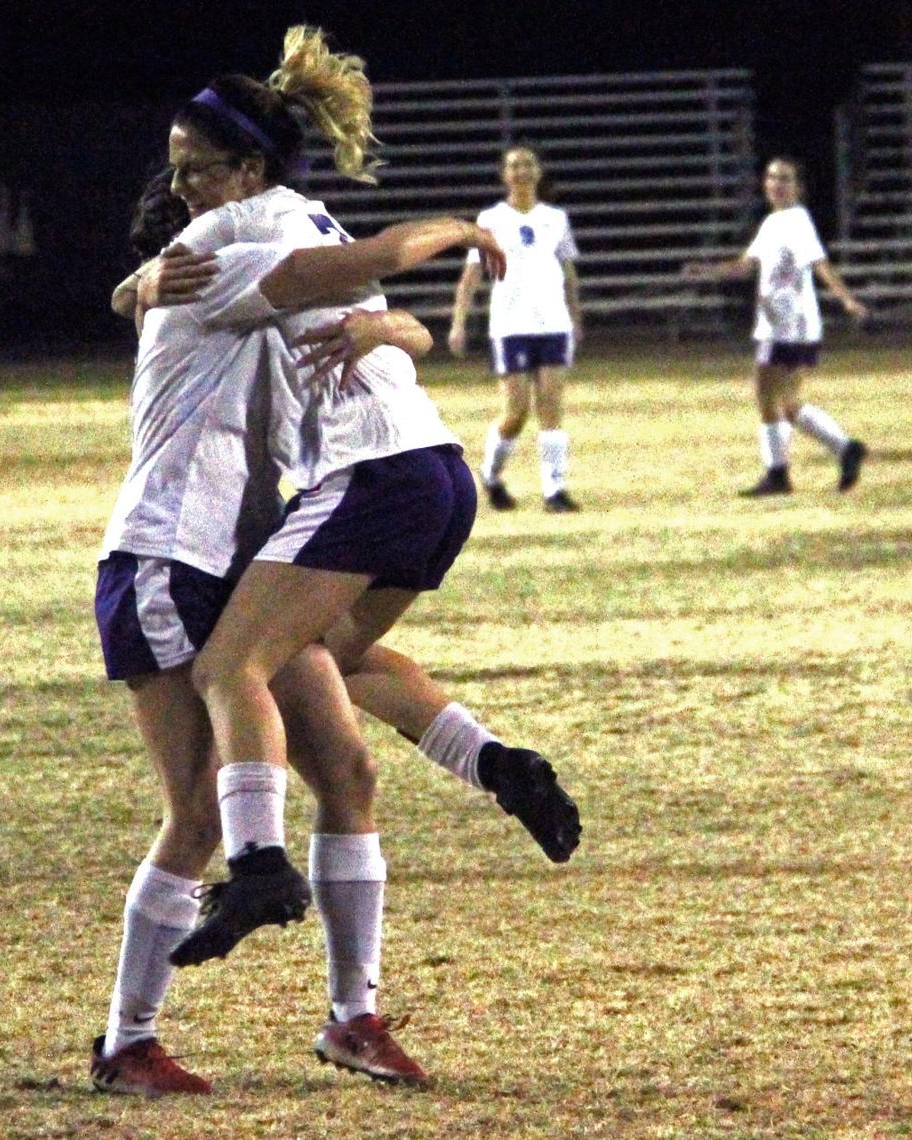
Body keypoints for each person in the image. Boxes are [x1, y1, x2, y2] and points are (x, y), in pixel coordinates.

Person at [118, 29, 577, 979]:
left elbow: (380, 257)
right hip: (434, 475)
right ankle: (494, 764)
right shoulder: (296, 218)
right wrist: (388, 322)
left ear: (246, 170)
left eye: (192, 172)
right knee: (331, 658)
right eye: (172, 180)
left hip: (361, 478)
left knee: (229, 672)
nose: (180, 194)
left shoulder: (226, 242)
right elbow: (386, 312)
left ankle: (257, 866)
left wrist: (456, 229)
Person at [93, 170, 455, 1094]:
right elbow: (368, 261)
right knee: (197, 811)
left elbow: (386, 309)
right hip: (169, 557)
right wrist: (466, 227)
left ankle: (354, 1020)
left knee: (346, 770)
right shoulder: (220, 274)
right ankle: (126, 1042)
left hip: (245, 558)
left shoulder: (259, 286)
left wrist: (386, 326)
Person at [681, 156, 869, 496]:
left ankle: (779, 473)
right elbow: (744, 267)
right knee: (786, 402)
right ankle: (844, 448)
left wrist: (845, 298)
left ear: (798, 187)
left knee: (767, 396)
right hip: (784, 324)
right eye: (771, 177)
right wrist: (707, 270)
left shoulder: (796, 220)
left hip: (788, 325)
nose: (775, 184)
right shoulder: (772, 223)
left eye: (784, 178)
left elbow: (819, 263)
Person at [448, 145, 583, 513]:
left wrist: (575, 315)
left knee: (552, 407)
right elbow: (471, 275)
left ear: (538, 172)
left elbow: (568, 271)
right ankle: (490, 475)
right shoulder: (491, 219)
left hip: (553, 323)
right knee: (516, 411)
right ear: (504, 175)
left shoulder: (555, 218)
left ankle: (554, 491)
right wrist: (459, 323)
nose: (521, 171)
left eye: (526, 164)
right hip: (510, 325)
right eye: (513, 166)